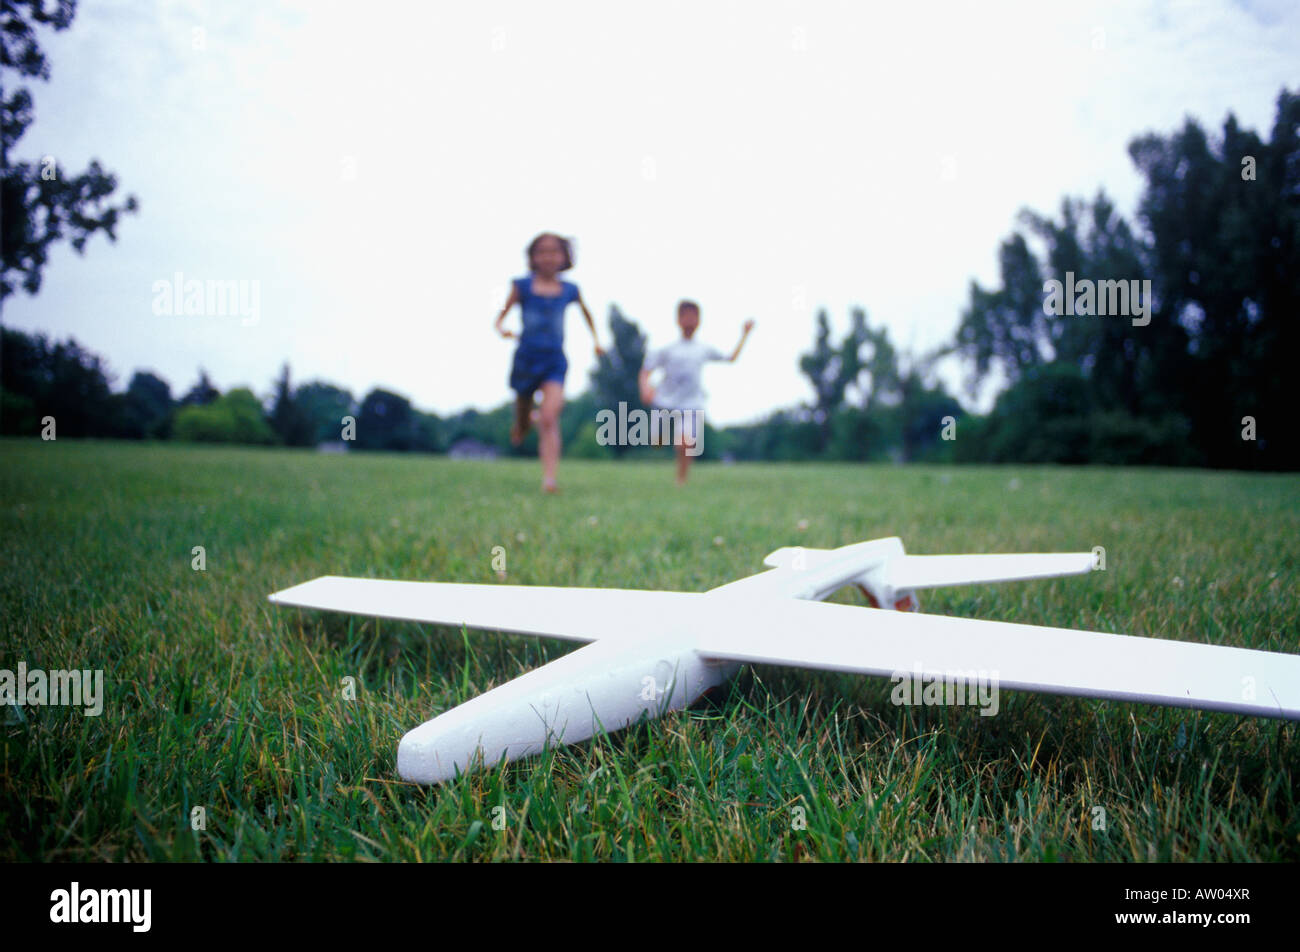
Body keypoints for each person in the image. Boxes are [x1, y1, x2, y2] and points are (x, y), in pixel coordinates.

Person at [494, 233, 603, 493]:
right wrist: (501, 327)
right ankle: (524, 422)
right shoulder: (521, 286)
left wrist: (596, 340)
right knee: (522, 423)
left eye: (554, 251)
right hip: (525, 359)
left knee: (550, 417)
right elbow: (502, 314)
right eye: (542, 252)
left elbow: (587, 313)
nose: (548, 257)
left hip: (554, 360)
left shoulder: (570, 290)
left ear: (565, 257)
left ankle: (549, 479)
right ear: (532, 257)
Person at [639, 300, 754, 485]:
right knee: (656, 442)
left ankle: (681, 481)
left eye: (695, 316)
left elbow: (731, 358)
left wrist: (744, 335)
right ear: (678, 319)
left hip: (692, 403)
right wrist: (646, 388)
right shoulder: (668, 349)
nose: (691, 321)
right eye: (687, 316)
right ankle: (660, 438)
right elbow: (646, 370)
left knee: (685, 443)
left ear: (699, 321)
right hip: (665, 402)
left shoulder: (703, 349)